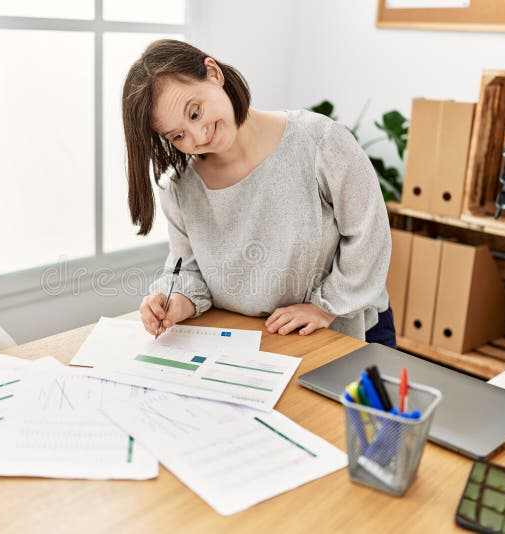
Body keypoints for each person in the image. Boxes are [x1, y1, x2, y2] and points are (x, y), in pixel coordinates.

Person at [122, 39, 395, 347]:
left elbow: (370, 236)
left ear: (213, 73)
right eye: (178, 135)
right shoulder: (180, 188)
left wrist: (325, 306)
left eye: (195, 112)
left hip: (340, 332)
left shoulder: (321, 142)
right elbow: (190, 269)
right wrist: (175, 302)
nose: (198, 136)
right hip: (251, 342)